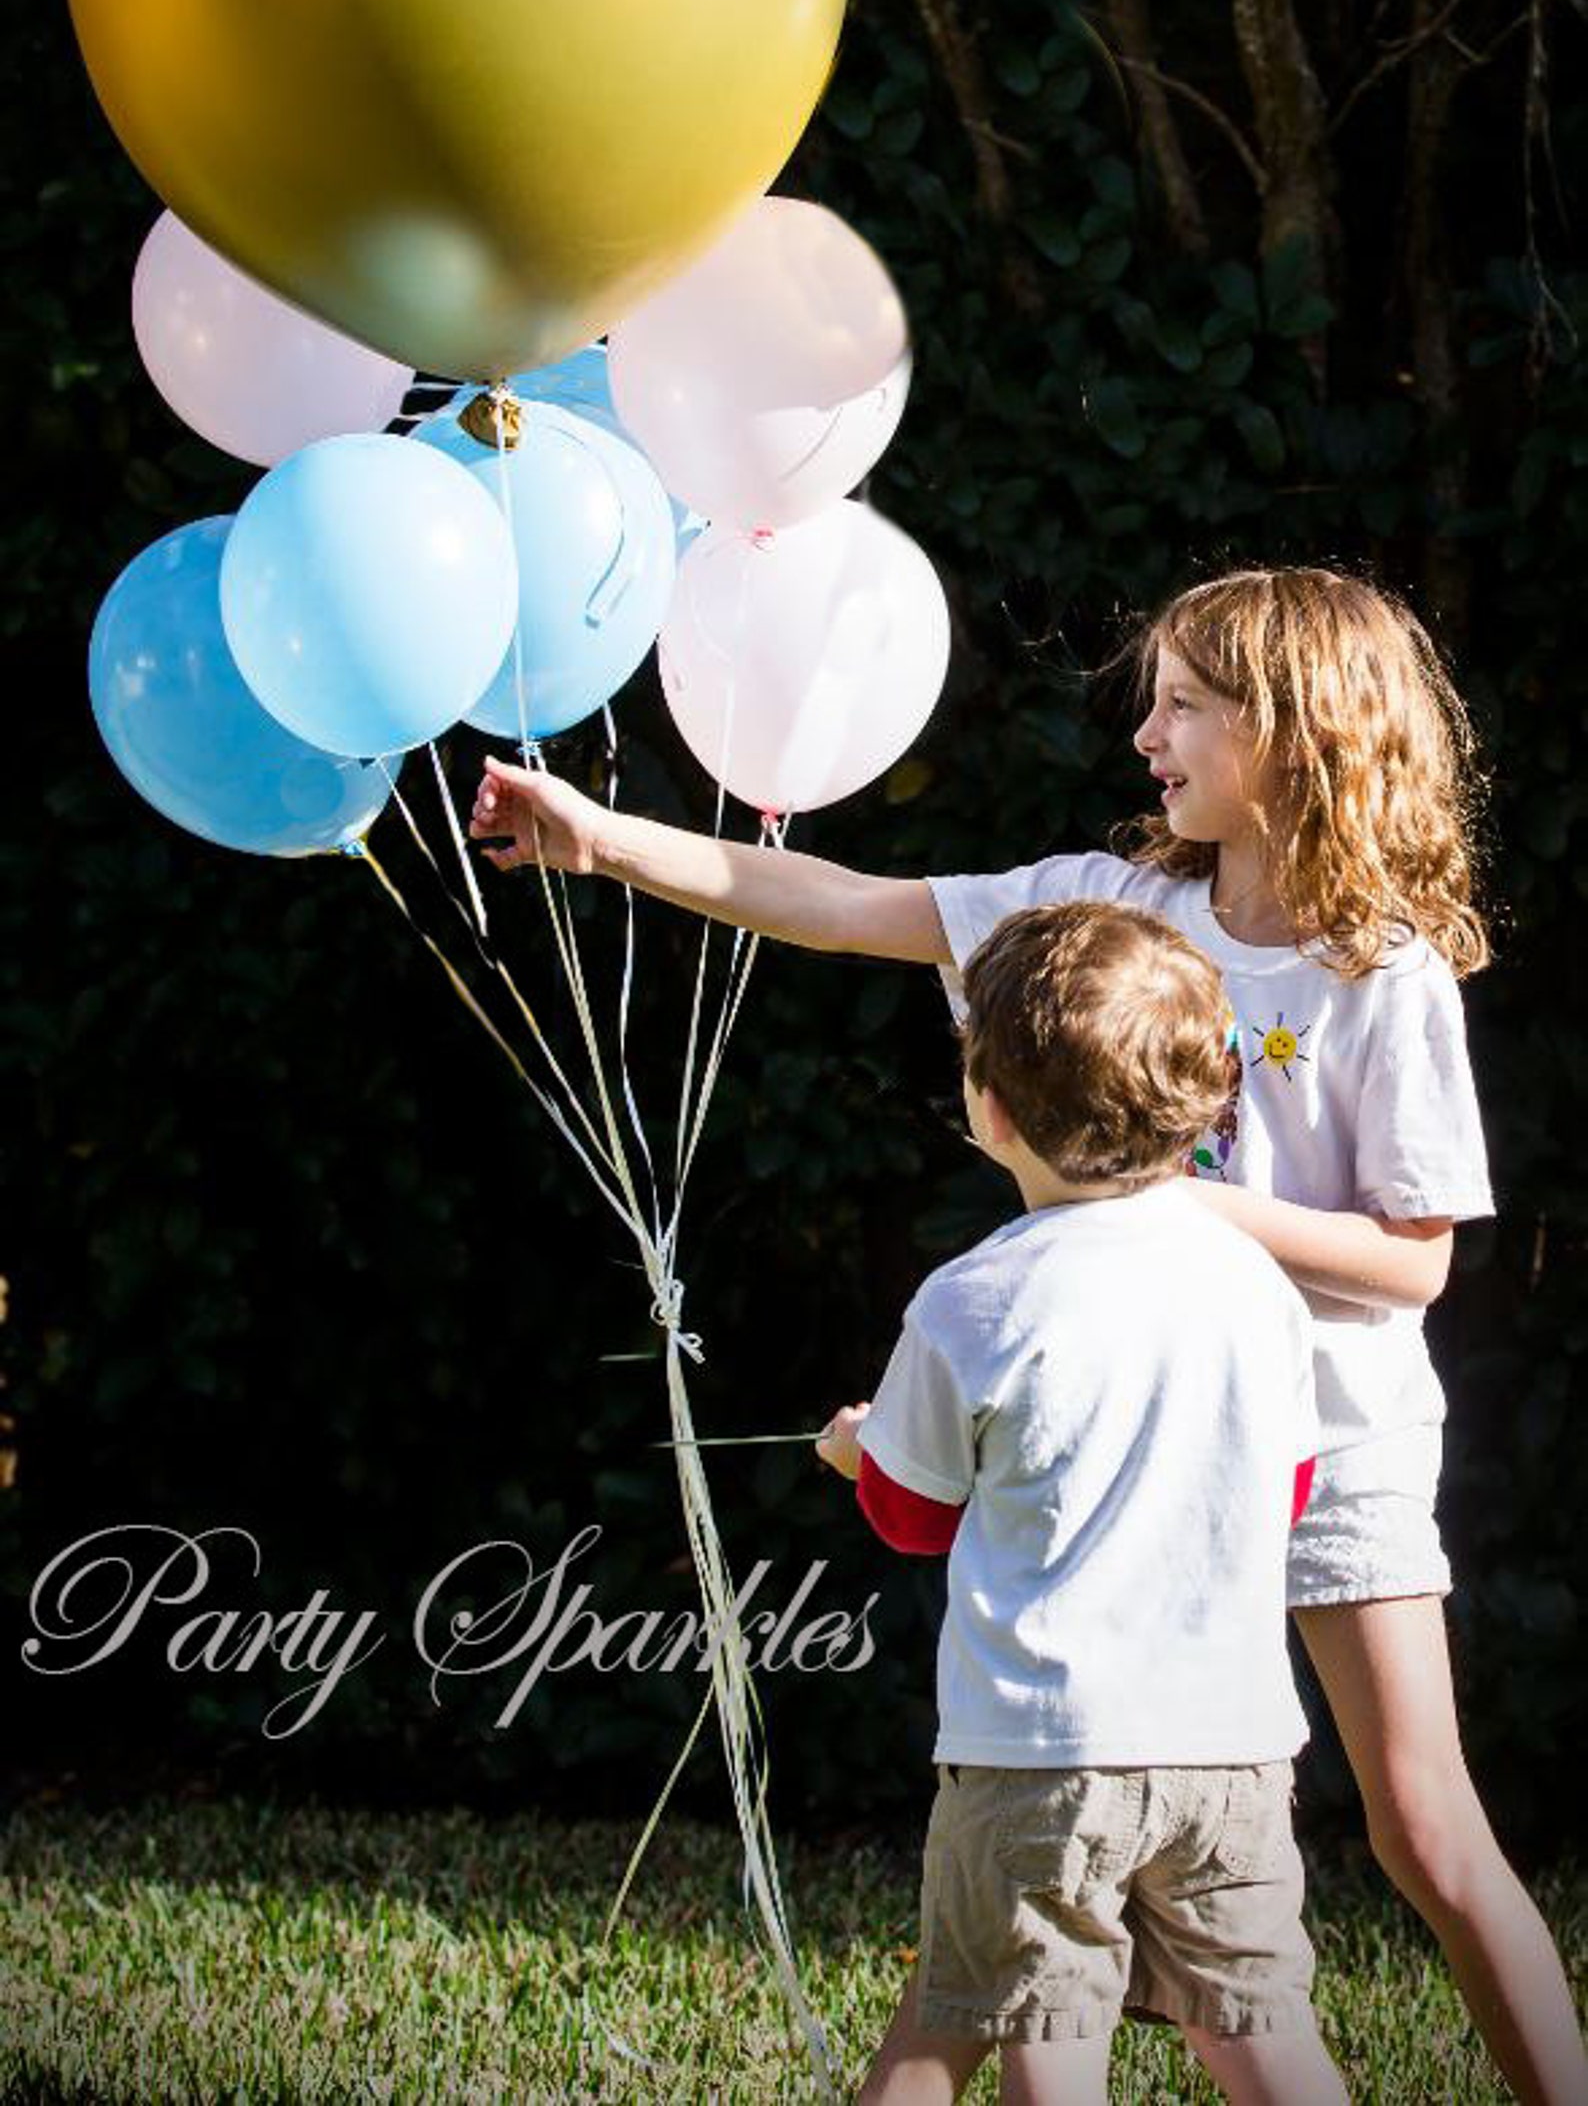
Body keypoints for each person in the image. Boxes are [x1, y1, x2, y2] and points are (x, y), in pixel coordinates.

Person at [471, 562, 1588, 2103]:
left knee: (1424, 1828)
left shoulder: (1381, 977)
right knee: (1078, 1813)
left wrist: (1183, 1206)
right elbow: (847, 906)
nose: (1146, 735)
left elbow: (1413, 1263)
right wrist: (603, 843)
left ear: (1294, 731)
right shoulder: (1120, 909)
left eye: (1183, 706)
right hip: (1148, 1457)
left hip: (1336, 1449)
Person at [812, 896, 1341, 2105]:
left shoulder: (972, 1298)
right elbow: (1288, 1486)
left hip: (1043, 1753)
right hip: (1234, 1744)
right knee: (1260, 2026)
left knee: (1036, 2032)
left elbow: (911, 1515)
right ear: (1213, 1093)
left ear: (989, 1108)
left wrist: (857, 1451)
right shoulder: (1256, 1284)